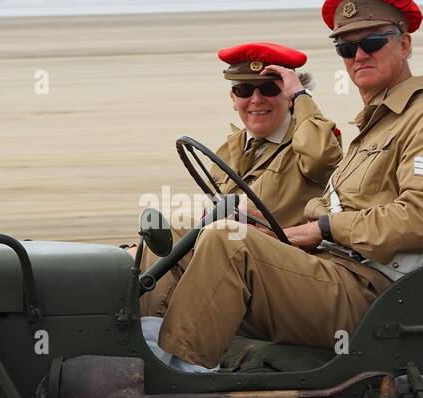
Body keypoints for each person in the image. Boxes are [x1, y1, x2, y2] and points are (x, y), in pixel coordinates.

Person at [155, 0, 423, 369]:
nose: (359, 55)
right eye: (346, 49)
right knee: (180, 241)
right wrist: (291, 230)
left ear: (405, 44)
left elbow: (422, 219)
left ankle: (178, 381)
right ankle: (138, 355)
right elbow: (337, 202)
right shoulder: (376, 127)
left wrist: (324, 228)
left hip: (376, 289)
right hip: (337, 268)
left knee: (227, 242)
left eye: (374, 42)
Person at [139, 41, 341, 318]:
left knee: (180, 228)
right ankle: (148, 330)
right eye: (244, 90)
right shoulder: (234, 146)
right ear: (233, 100)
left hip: (280, 265)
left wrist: (301, 96)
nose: (256, 100)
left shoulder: (308, 143)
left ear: (289, 95)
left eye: (270, 89)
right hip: (225, 255)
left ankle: (155, 336)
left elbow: (323, 158)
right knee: (159, 238)